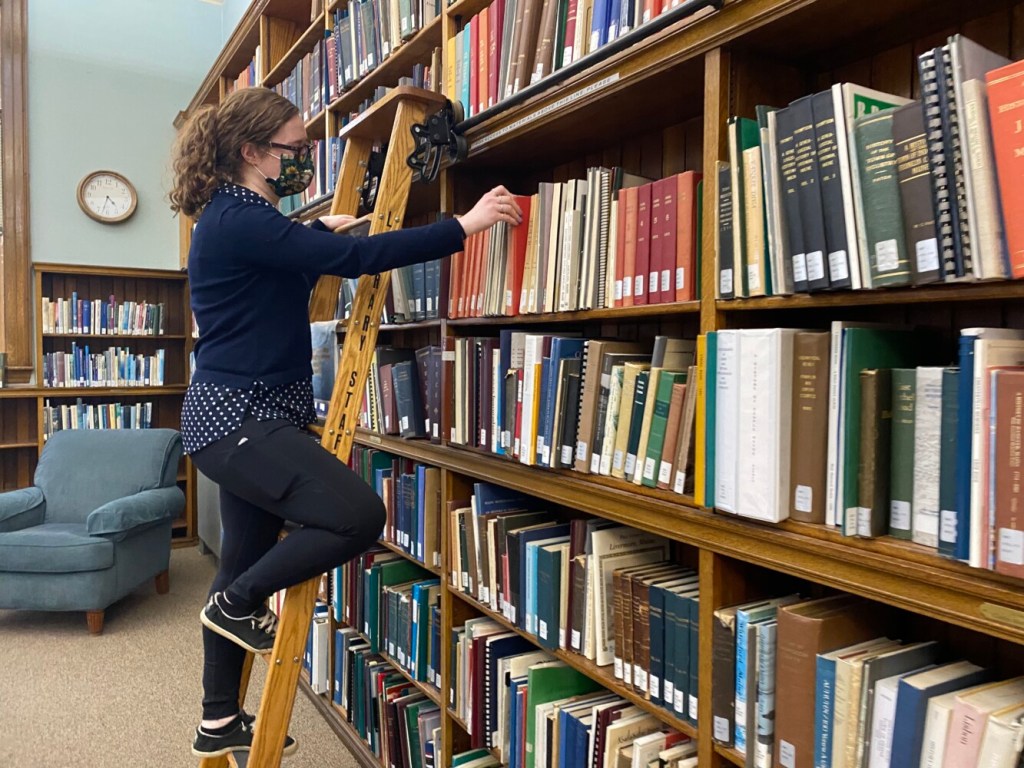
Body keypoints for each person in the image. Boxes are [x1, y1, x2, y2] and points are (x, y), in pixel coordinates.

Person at [169, 86, 522, 759]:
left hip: (239, 418)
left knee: (242, 556)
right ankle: (237, 603)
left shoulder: (243, 216)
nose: (302, 161)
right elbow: (358, 260)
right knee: (357, 516)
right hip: (240, 421)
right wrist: (465, 225)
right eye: (293, 150)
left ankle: (218, 718)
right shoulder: (240, 218)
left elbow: (272, 281)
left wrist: (305, 236)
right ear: (252, 152)